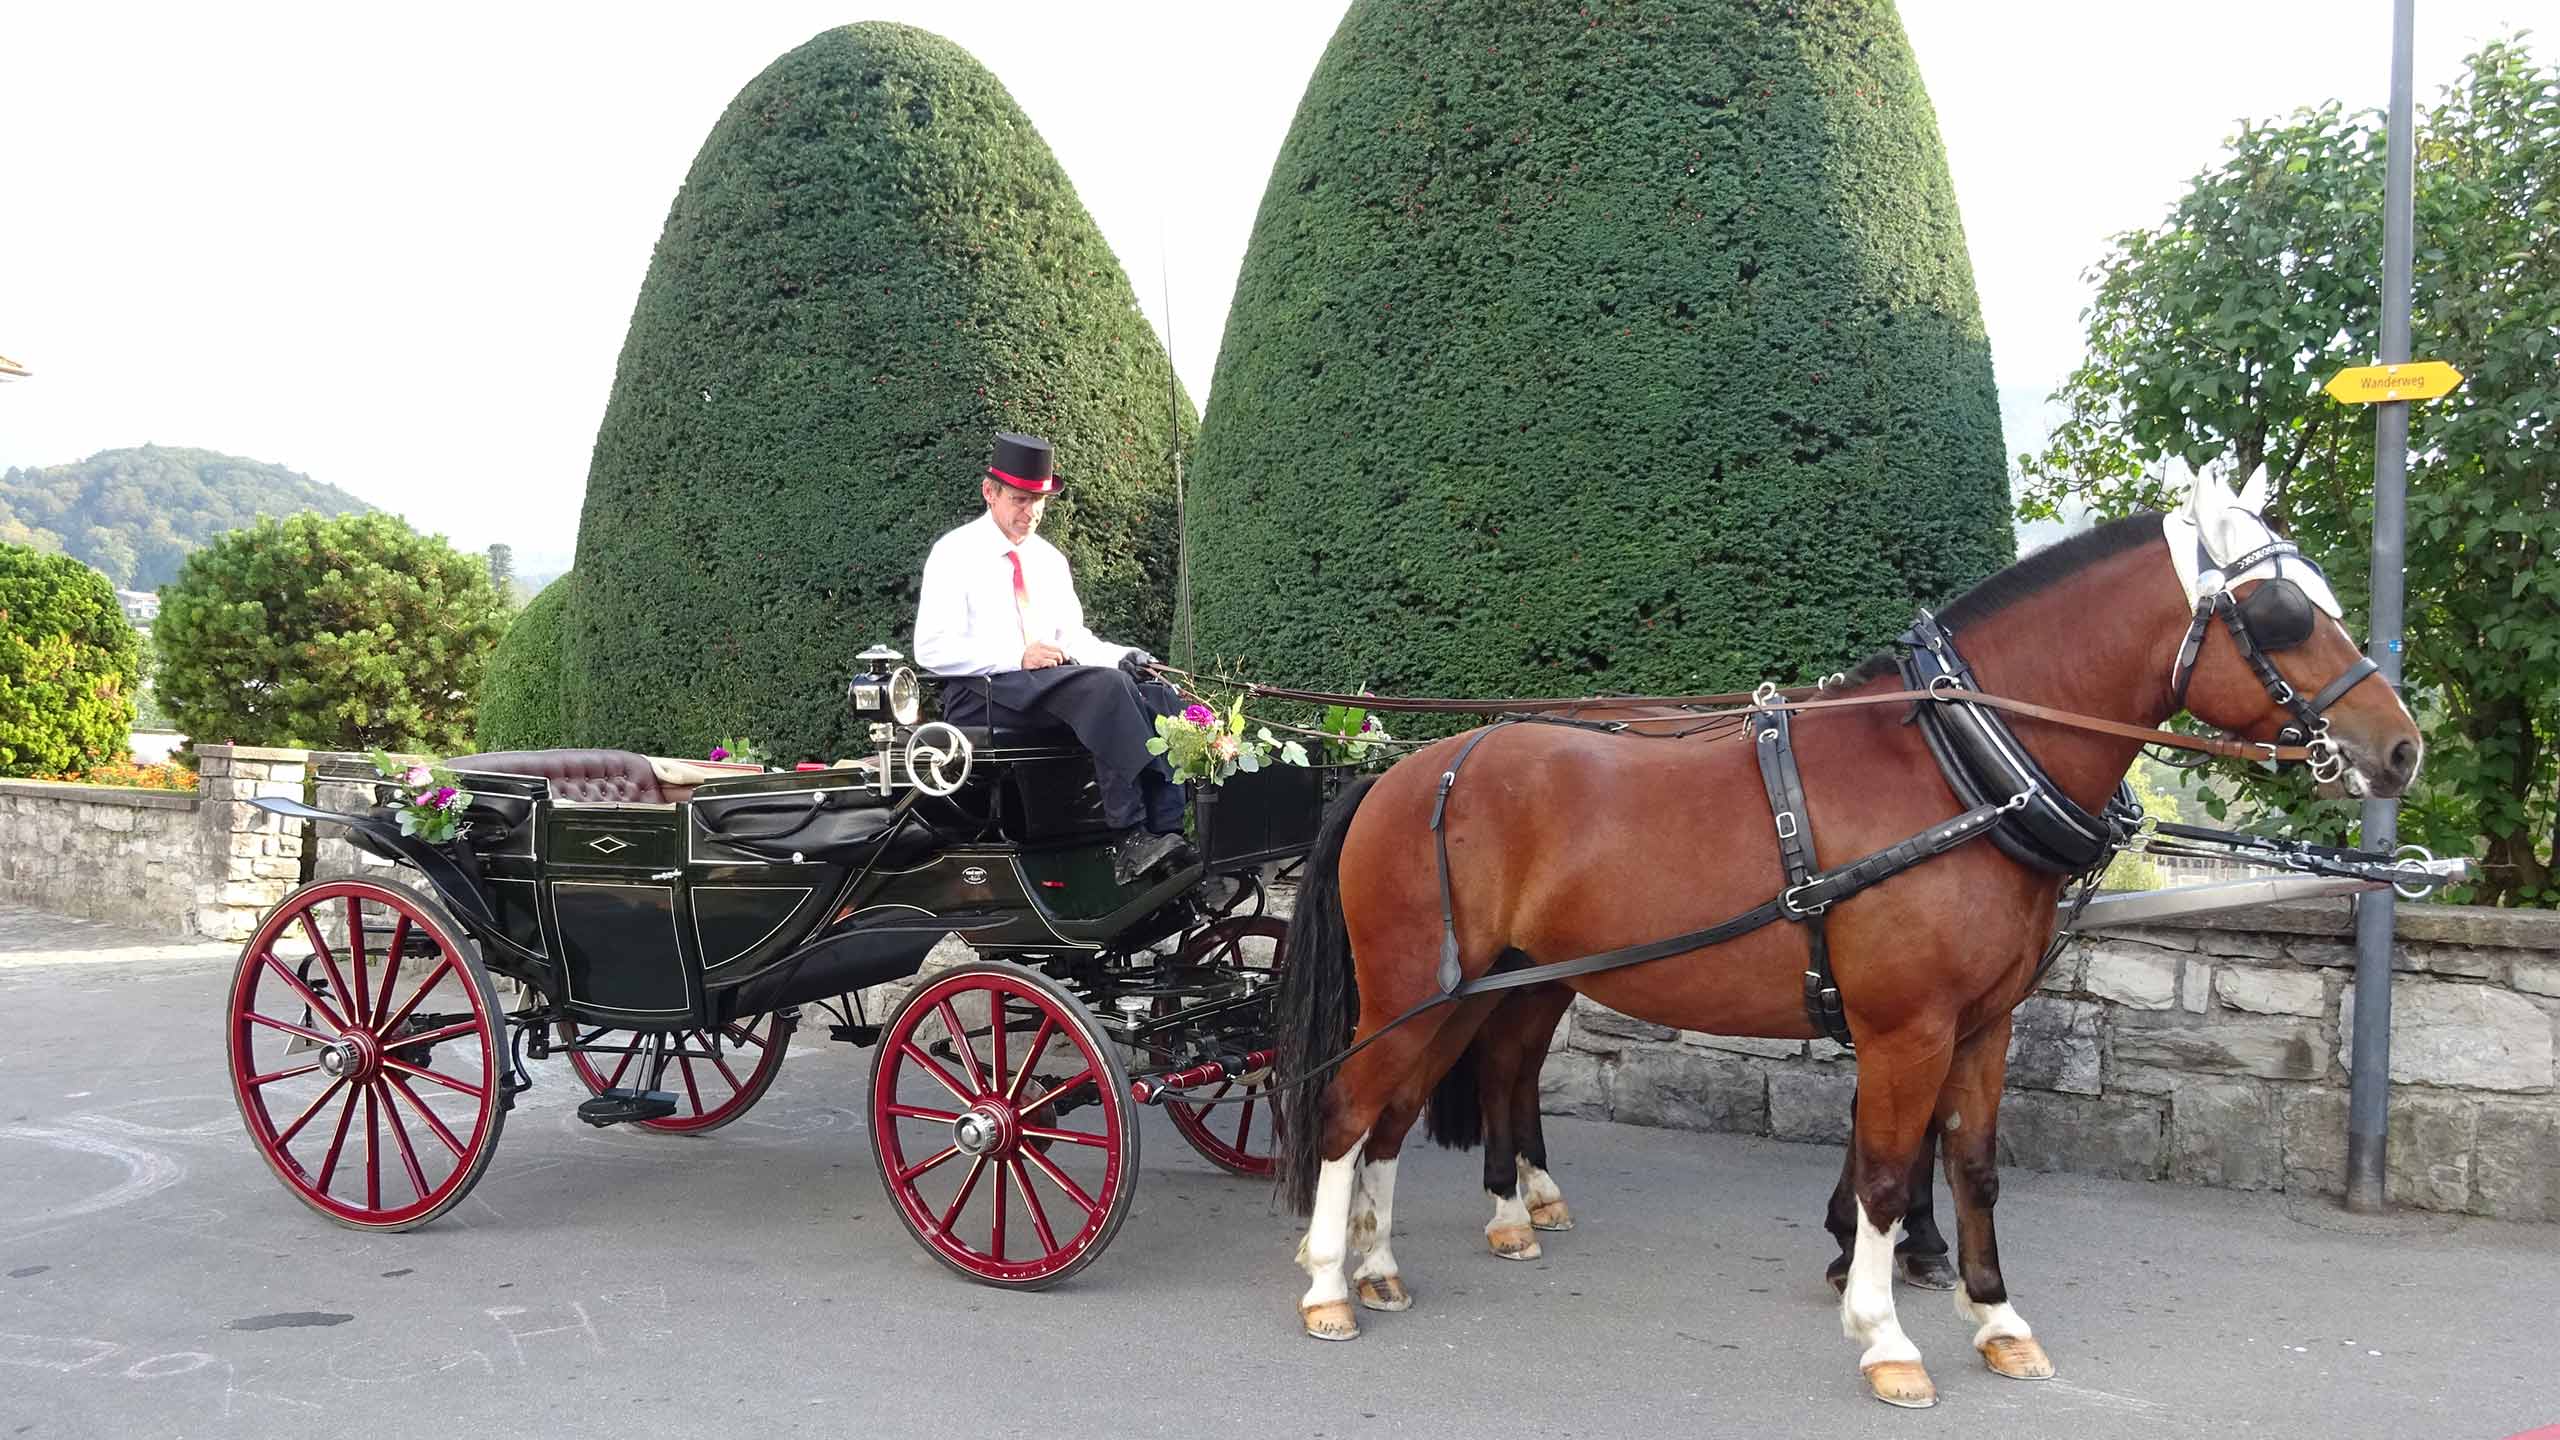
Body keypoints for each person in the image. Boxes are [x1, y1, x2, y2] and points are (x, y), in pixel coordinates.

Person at [914, 432, 1189, 886]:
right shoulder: (955, 554)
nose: (1031, 513)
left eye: (1039, 502)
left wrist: (1127, 655)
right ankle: (1128, 836)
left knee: (1154, 692)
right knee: (1104, 688)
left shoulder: (1049, 559)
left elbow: (1074, 638)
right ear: (990, 493)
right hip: (982, 692)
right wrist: (1016, 656)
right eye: (1021, 500)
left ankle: (1167, 829)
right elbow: (931, 648)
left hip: (1050, 688)